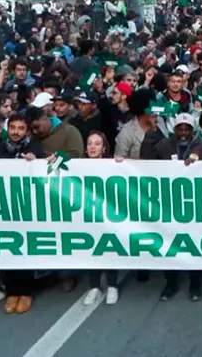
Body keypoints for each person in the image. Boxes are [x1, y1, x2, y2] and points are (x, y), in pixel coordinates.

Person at [140, 112, 202, 301]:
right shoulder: (166, 145)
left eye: (186, 128)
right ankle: (170, 282)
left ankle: (195, 284)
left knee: (193, 244)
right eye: (180, 128)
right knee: (169, 243)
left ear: (192, 130)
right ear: (175, 129)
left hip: (194, 205)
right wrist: (150, 134)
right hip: (169, 204)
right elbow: (147, 160)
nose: (183, 132)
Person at [80, 131, 120, 306]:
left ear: (104, 148)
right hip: (87, 215)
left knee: (109, 249)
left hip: (108, 215)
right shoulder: (76, 165)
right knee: (91, 250)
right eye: (90, 143)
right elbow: (56, 161)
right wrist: (54, 159)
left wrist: (122, 163)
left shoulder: (112, 164)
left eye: (97, 144)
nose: (93, 147)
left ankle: (112, 285)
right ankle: (94, 287)